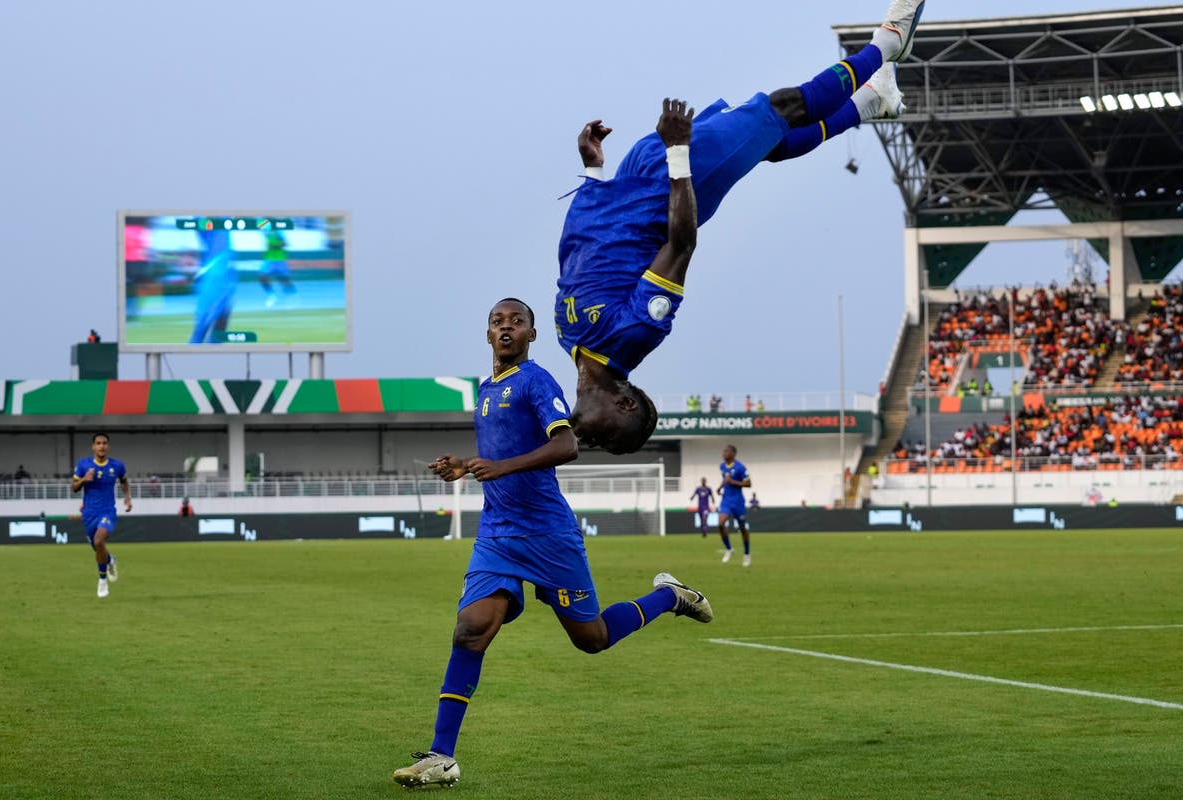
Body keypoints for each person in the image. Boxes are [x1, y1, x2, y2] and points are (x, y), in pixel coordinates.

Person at [555, 1, 924, 454]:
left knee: (766, 141)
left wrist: (593, 173)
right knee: (780, 108)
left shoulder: (567, 338)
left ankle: (870, 103)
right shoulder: (634, 336)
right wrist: (678, 154)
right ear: (625, 405)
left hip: (628, 176)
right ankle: (887, 45)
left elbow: (577, 250)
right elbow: (682, 243)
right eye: (607, 438)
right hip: (668, 190)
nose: (589, 441)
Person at [392, 298, 713, 789]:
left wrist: (498, 467)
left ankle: (670, 595)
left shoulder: (536, 380)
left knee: (592, 640)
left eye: (516, 322)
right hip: (497, 533)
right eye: (497, 322)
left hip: (547, 535)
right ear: (487, 334)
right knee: (471, 630)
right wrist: (465, 466)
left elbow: (567, 445)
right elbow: (502, 451)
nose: (506, 328)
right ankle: (442, 756)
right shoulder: (485, 389)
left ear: (531, 335)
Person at [70, 433, 131, 598]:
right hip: (89, 514)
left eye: (104, 443)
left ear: (108, 446)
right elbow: (73, 487)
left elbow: (124, 481)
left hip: (108, 512)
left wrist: (127, 498)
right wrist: (84, 479)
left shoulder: (117, 465)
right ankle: (110, 560)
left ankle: (102, 581)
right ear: (93, 446)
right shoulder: (84, 465)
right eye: (98, 443)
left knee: (98, 540)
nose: (102, 446)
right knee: (98, 548)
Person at [717, 444, 752, 566]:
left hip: (738, 501)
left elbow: (748, 484)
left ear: (733, 454)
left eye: (726, 451)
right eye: (724, 451)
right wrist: (720, 487)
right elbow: (725, 479)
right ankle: (729, 549)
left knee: (742, 528)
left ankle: (747, 554)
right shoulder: (722, 466)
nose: (724, 453)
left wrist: (733, 482)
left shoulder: (740, 467)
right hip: (726, 500)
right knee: (721, 523)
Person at [258, 229, 296, 307]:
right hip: (269, 259)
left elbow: (286, 243)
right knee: (262, 276)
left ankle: (292, 296)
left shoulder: (278, 231)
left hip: (279, 259)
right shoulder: (265, 228)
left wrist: (274, 246)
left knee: (283, 279)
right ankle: (271, 295)